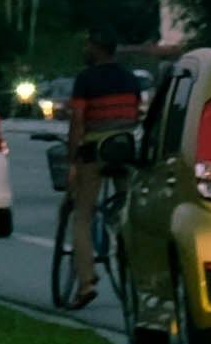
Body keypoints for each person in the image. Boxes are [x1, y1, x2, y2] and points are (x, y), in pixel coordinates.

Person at [57, 28, 152, 268]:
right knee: (126, 208)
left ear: (96, 48)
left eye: (87, 46)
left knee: (82, 214)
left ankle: (86, 281)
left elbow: (78, 121)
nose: (84, 50)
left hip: (95, 151)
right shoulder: (130, 79)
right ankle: (129, 256)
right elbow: (135, 115)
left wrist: (72, 161)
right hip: (124, 150)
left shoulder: (86, 79)